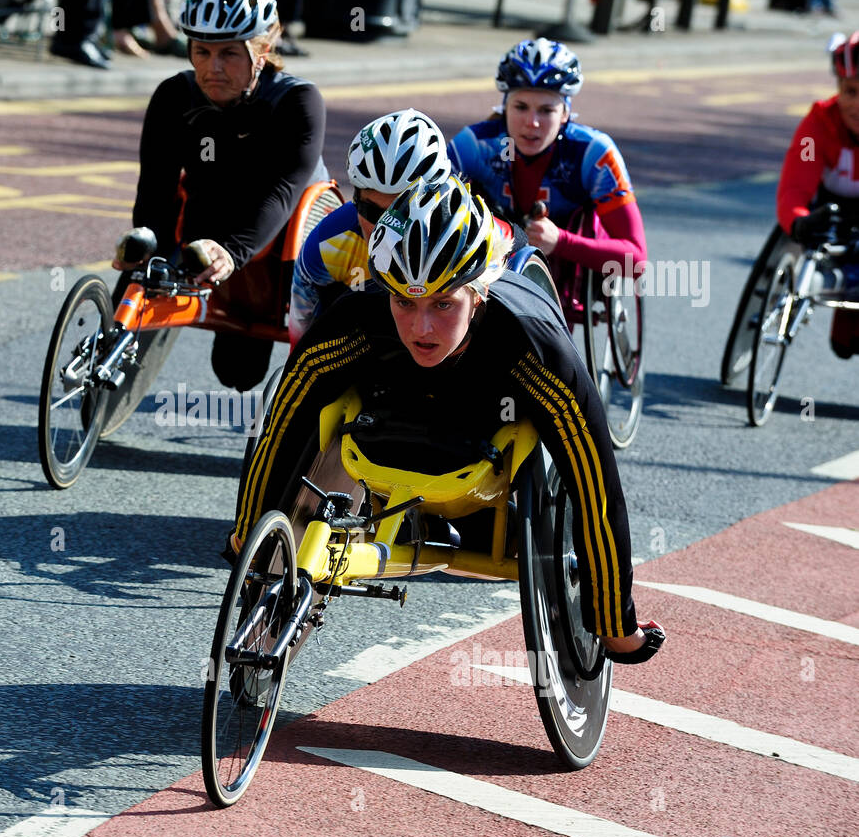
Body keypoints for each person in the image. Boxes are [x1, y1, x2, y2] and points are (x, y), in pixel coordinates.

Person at [230, 175, 665, 663]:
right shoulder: (357, 319)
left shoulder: (531, 342)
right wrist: (250, 534)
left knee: (531, 491)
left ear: (478, 293)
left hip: (491, 436)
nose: (422, 327)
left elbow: (595, 483)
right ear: (384, 289)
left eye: (443, 303)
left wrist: (613, 623)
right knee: (311, 400)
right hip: (388, 418)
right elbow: (283, 424)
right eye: (404, 302)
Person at [112, 0, 328, 392]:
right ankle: (105, 367)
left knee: (238, 372)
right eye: (202, 51)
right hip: (206, 219)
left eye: (229, 53)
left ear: (263, 49)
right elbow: (155, 186)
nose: (212, 68)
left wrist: (232, 251)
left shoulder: (299, 103)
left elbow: (283, 192)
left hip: (284, 243)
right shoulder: (173, 96)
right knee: (145, 257)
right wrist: (148, 249)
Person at [289, 108, 527, 345]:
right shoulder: (327, 245)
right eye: (371, 210)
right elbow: (301, 338)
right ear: (356, 199)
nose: (385, 225)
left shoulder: (483, 237)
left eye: (403, 212)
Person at [448, 38, 647, 319]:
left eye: (546, 110)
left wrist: (562, 241)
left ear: (565, 113)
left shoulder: (594, 153)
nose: (533, 122)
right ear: (505, 106)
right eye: (521, 107)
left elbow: (636, 260)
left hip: (567, 264)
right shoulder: (476, 144)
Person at [778, 32, 859, 359]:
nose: (856, 104)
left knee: (846, 344)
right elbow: (795, 187)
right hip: (827, 212)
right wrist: (798, 222)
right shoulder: (818, 126)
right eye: (850, 92)